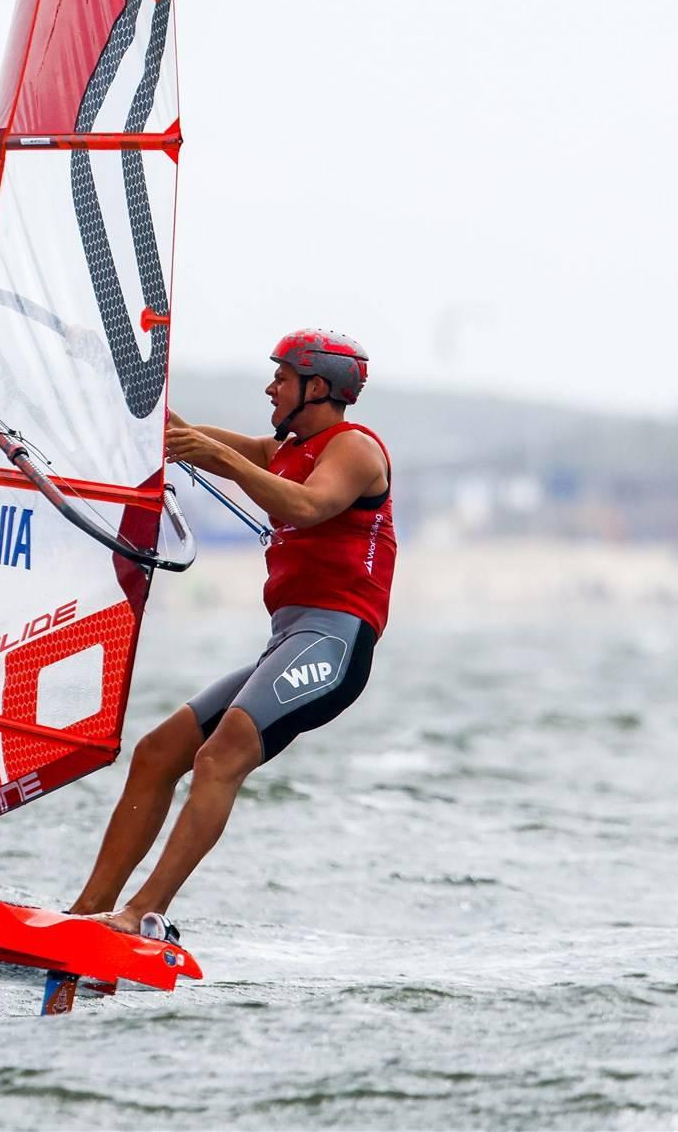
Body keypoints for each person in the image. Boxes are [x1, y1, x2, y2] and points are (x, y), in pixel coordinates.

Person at [72, 329, 396, 935]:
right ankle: (88, 912)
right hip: (288, 640)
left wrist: (220, 458)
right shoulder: (288, 448)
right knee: (158, 753)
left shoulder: (354, 450)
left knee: (219, 757)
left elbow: (305, 506)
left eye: (281, 377)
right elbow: (191, 441)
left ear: (317, 387)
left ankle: (143, 913)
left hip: (333, 643)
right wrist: (134, 412)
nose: (269, 387)